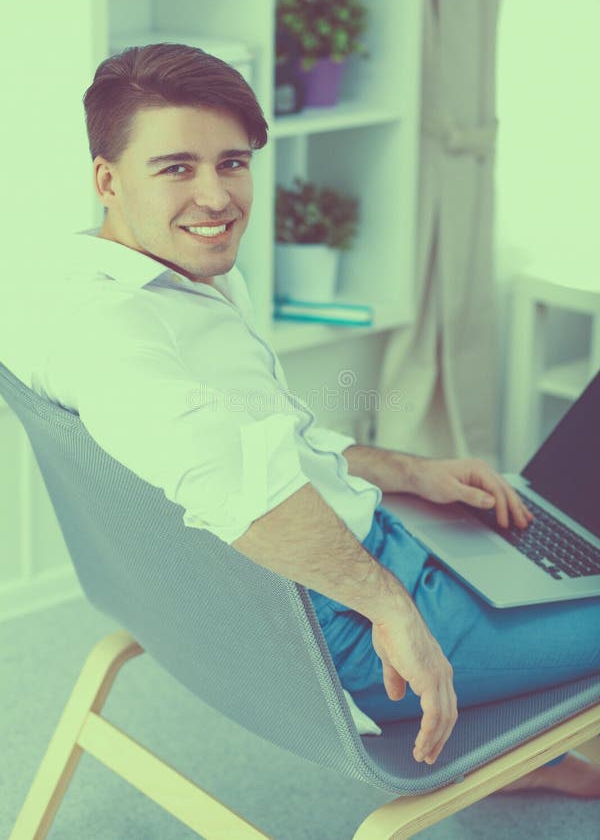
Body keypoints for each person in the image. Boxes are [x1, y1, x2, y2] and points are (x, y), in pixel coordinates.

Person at [4, 43, 598, 797]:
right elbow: (243, 496)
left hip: (347, 548)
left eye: (232, 162)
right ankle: (511, 718)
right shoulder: (117, 336)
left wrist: (412, 474)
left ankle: (520, 727)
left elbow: (264, 438)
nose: (217, 198)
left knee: (543, 538)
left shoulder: (100, 274)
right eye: (176, 168)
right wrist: (392, 607)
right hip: (341, 610)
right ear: (107, 180)